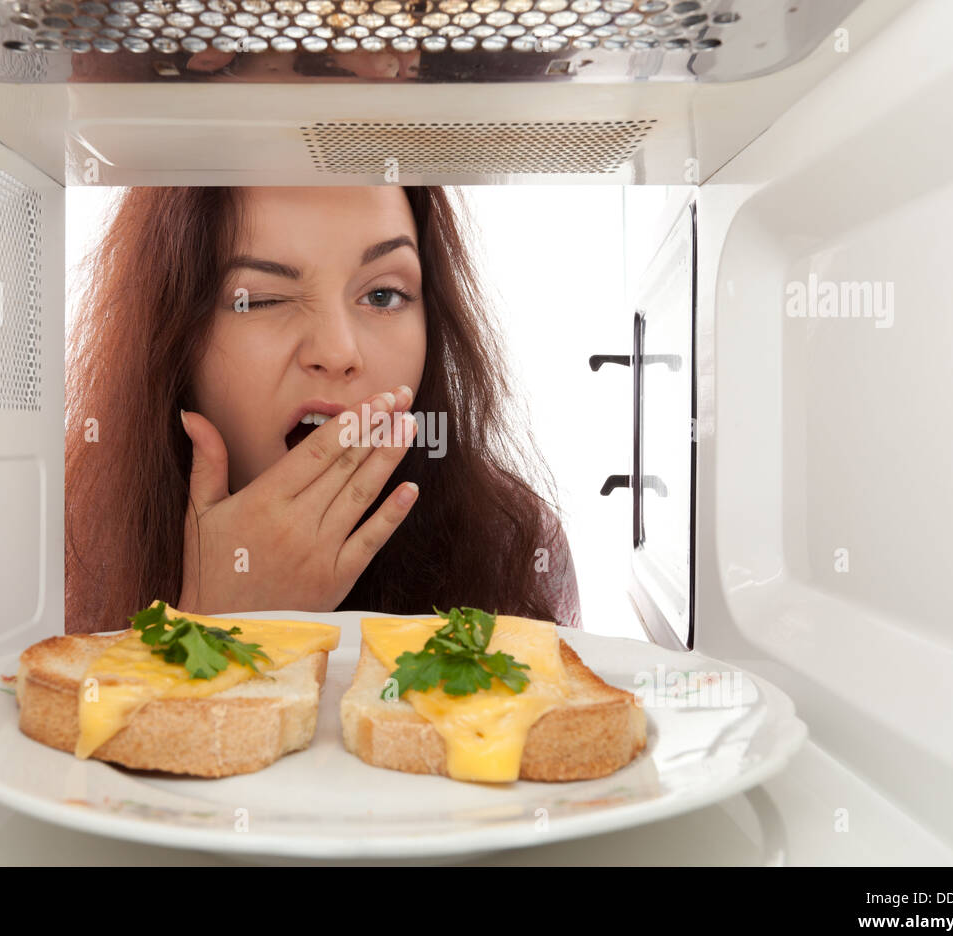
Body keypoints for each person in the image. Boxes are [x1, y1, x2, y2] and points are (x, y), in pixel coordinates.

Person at [65, 185, 581, 633]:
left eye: (384, 295)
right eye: (262, 300)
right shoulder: (69, 542)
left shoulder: (515, 541)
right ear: (174, 341)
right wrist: (215, 617)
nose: (337, 352)